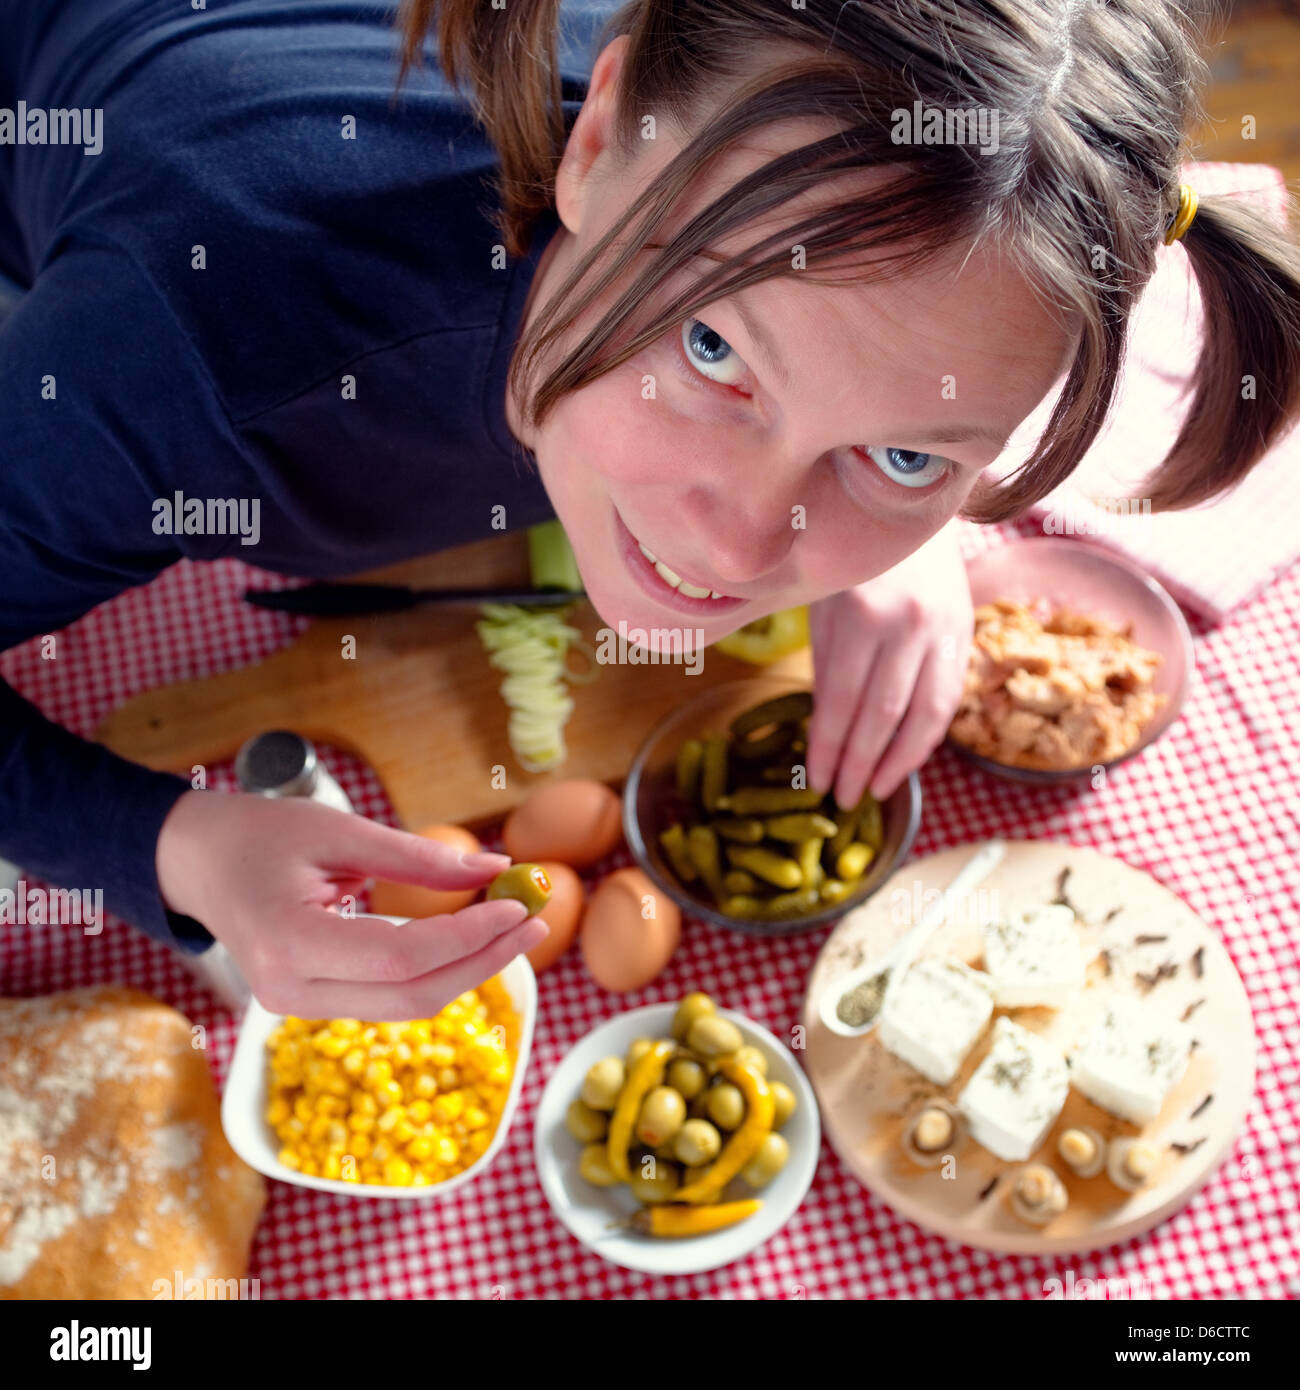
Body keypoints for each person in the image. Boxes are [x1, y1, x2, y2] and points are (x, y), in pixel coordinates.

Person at [2, 0, 1297, 1018]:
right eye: (715, 348)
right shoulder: (171, 368)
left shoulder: (731, 73)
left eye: (909, 454)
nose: (733, 548)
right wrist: (169, 840)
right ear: (595, 138)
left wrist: (903, 538)